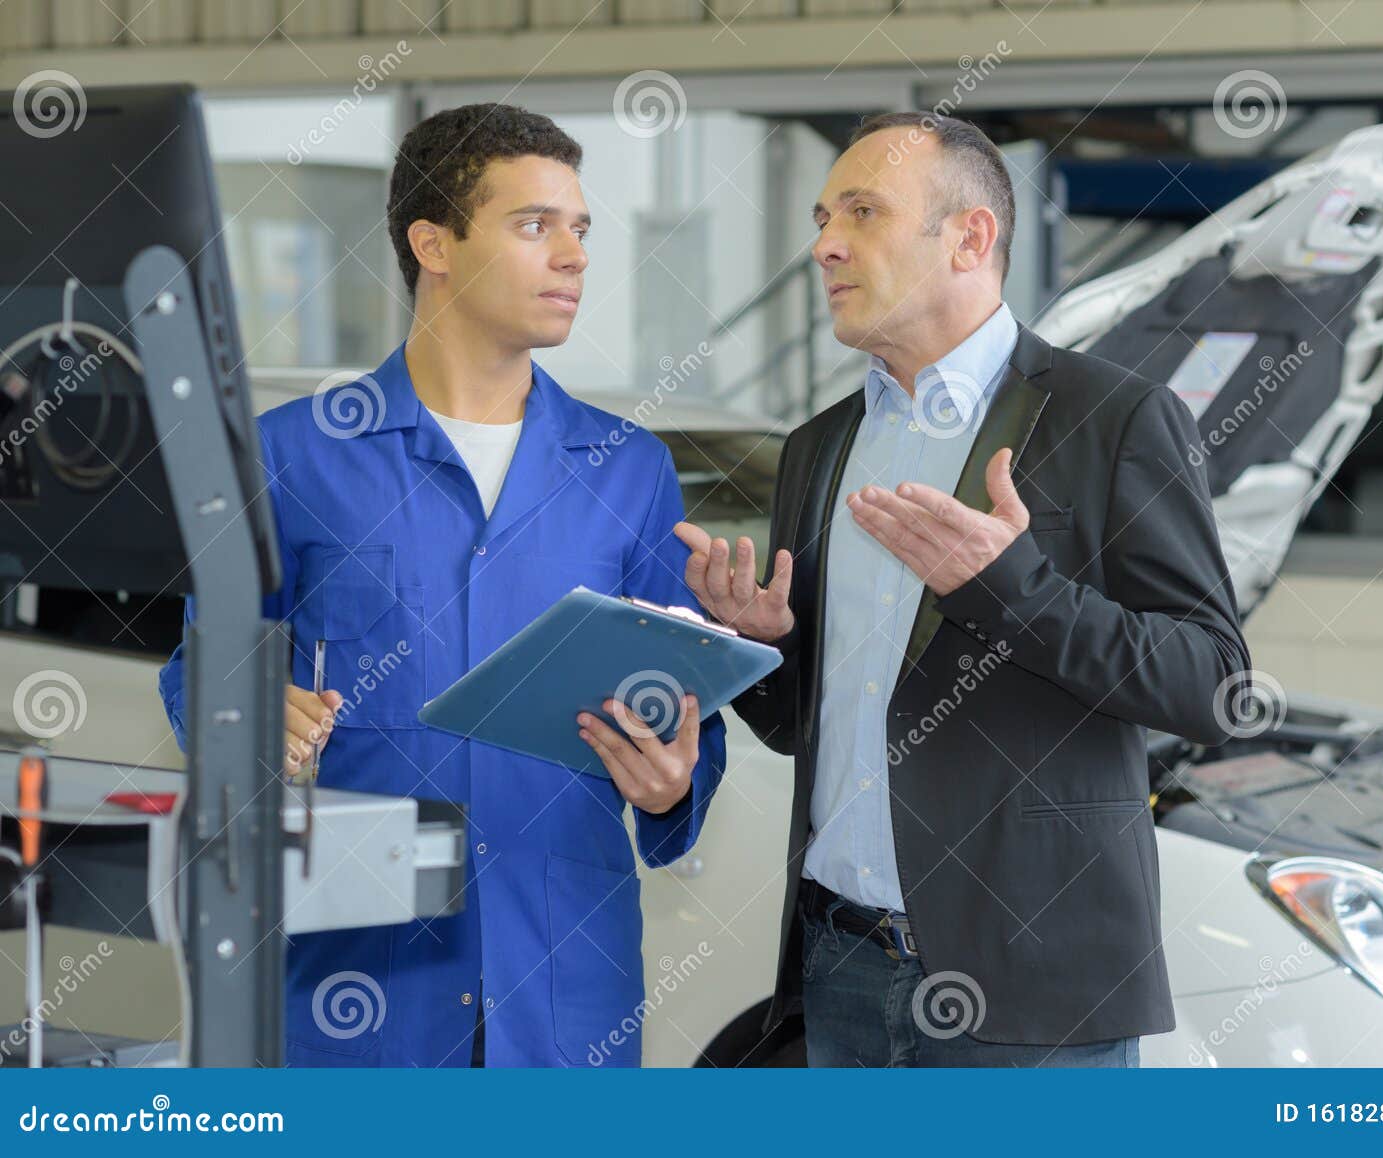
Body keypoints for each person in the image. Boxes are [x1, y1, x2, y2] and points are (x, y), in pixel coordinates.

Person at [675, 112, 1250, 1067]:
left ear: (970, 237)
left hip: (1032, 995)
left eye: (862, 212)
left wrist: (1013, 589)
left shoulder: (1112, 420)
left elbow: (1212, 685)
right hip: (840, 971)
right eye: (823, 216)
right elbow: (803, 725)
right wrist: (761, 646)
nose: (824, 245)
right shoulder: (819, 449)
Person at [158, 103, 725, 1067]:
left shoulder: (628, 469)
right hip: (359, 999)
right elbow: (201, 669)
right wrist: (246, 709)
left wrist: (675, 785)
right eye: (534, 225)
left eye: (580, 228)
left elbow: (679, 706)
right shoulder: (295, 457)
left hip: (566, 1001)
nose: (575, 255)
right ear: (435, 245)